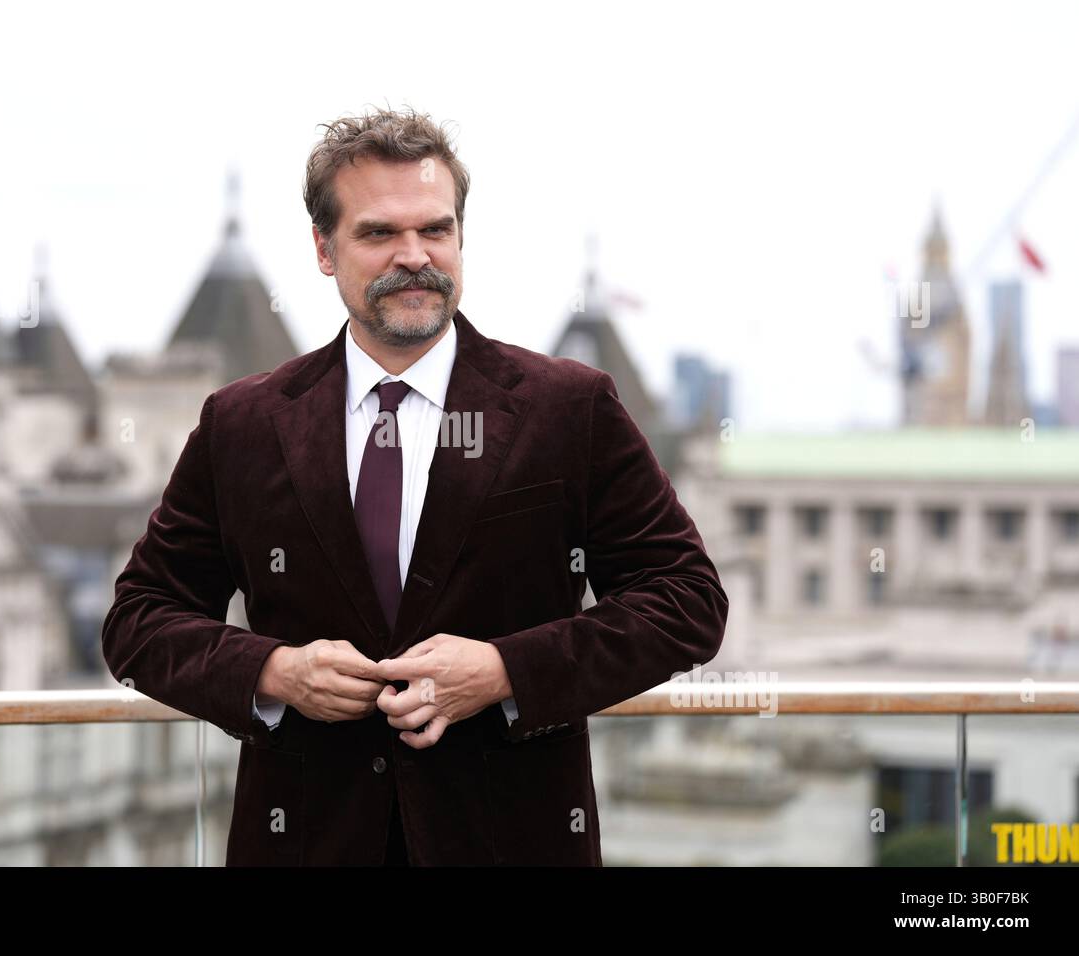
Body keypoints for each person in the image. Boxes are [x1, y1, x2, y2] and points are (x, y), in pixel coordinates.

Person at [101, 106, 728, 865]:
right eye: (378, 233)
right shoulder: (243, 422)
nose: (414, 256)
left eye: (435, 229)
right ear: (324, 248)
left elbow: (688, 600)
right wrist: (274, 672)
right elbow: (138, 620)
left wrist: (503, 672)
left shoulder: (569, 408)